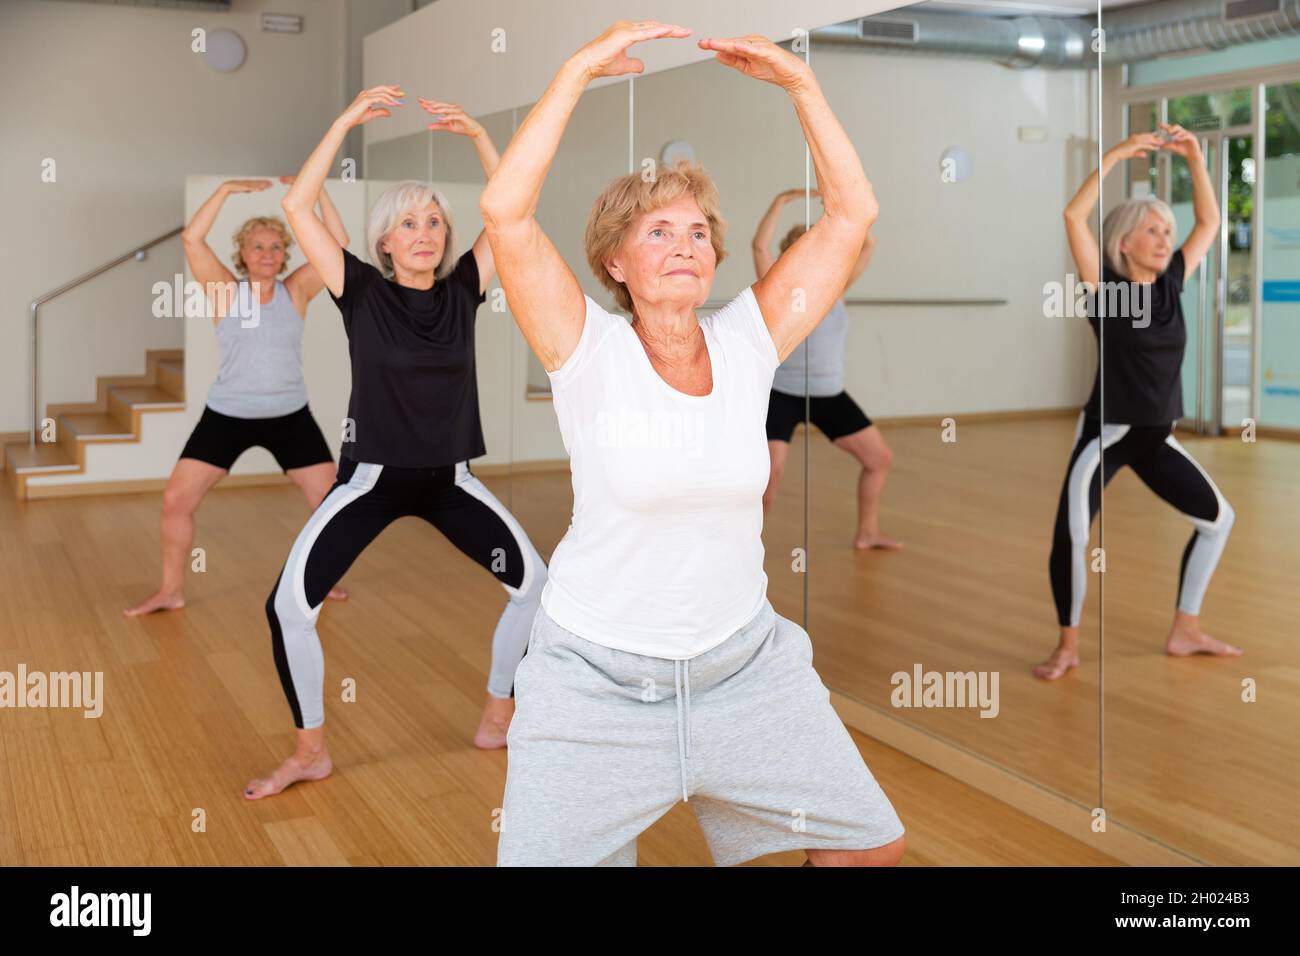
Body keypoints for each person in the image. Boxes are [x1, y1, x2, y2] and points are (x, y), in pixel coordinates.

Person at [480, 21, 906, 866]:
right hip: (593, 685)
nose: (686, 246)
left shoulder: (750, 338)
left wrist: (802, 87)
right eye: (659, 233)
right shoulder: (584, 348)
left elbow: (853, 213)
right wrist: (573, 70)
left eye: (699, 233)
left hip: (745, 669)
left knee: (867, 847)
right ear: (614, 261)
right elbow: (505, 211)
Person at [244, 88, 548, 799]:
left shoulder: (465, 289)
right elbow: (299, 206)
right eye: (409, 222)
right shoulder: (359, 289)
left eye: (436, 221)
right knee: (288, 608)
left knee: (537, 590)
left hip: (451, 482)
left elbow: (514, 209)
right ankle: (310, 750)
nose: (426, 232)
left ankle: (498, 715)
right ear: (384, 241)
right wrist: (344, 121)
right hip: (370, 484)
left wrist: (480, 133)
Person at [1038, 123, 1240, 681]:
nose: (1164, 238)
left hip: (1156, 437)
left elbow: (1210, 222)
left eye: (1166, 230)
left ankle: (1186, 629)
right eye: (1151, 230)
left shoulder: (1173, 282)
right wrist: (1117, 155)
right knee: (1074, 534)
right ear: (1123, 242)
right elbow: (1073, 218)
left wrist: (1196, 159)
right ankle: (1068, 645)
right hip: (1107, 435)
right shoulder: (1106, 290)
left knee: (1219, 521)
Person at [124, 177, 347, 618]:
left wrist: (317, 188)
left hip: (290, 415)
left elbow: (337, 244)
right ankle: (171, 590)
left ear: (286, 254)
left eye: (276, 247)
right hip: (228, 414)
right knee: (176, 501)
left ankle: (324, 578)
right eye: (257, 247)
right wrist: (225, 190)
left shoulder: (296, 290)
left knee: (332, 502)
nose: (267, 254)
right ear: (242, 255)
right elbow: (192, 237)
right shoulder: (226, 291)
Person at [753, 189, 899, 549]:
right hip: (783, 395)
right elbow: (758, 246)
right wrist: (781, 200)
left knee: (879, 458)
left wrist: (841, 207)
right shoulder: (778, 288)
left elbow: (868, 243)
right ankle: (745, 550)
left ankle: (867, 531)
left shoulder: (837, 287)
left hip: (827, 395)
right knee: (769, 477)